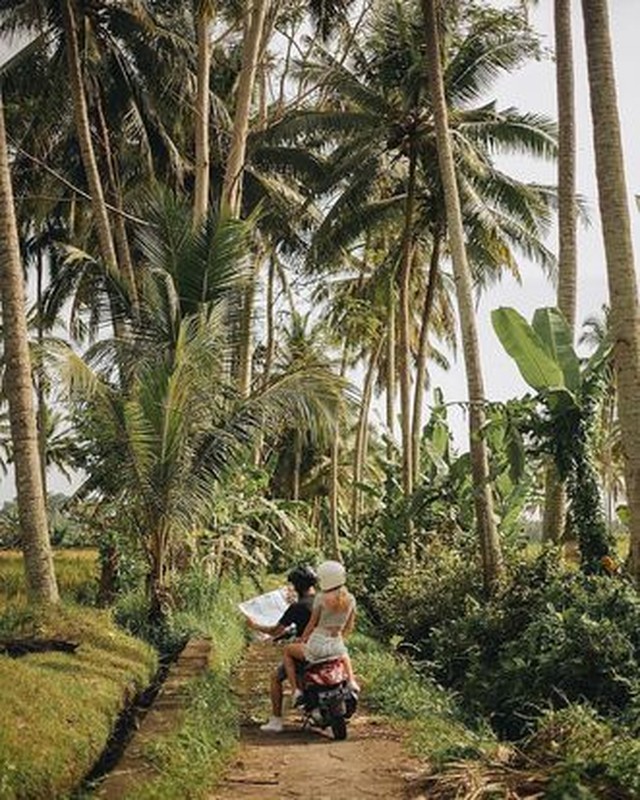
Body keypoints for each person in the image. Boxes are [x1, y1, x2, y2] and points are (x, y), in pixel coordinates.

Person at [246, 565, 317, 733]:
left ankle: (277, 720)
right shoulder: (325, 602)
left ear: (296, 586)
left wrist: (254, 625)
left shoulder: (297, 607)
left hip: (308, 650)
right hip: (330, 647)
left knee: (275, 677)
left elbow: (274, 630)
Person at [282, 560, 359, 709]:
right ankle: (351, 681)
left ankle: (296, 691)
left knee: (287, 651)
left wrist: (303, 639)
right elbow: (349, 625)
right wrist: (340, 638)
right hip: (336, 645)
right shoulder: (351, 599)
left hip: (317, 645)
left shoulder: (321, 598)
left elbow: (311, 624)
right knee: (344, 654)